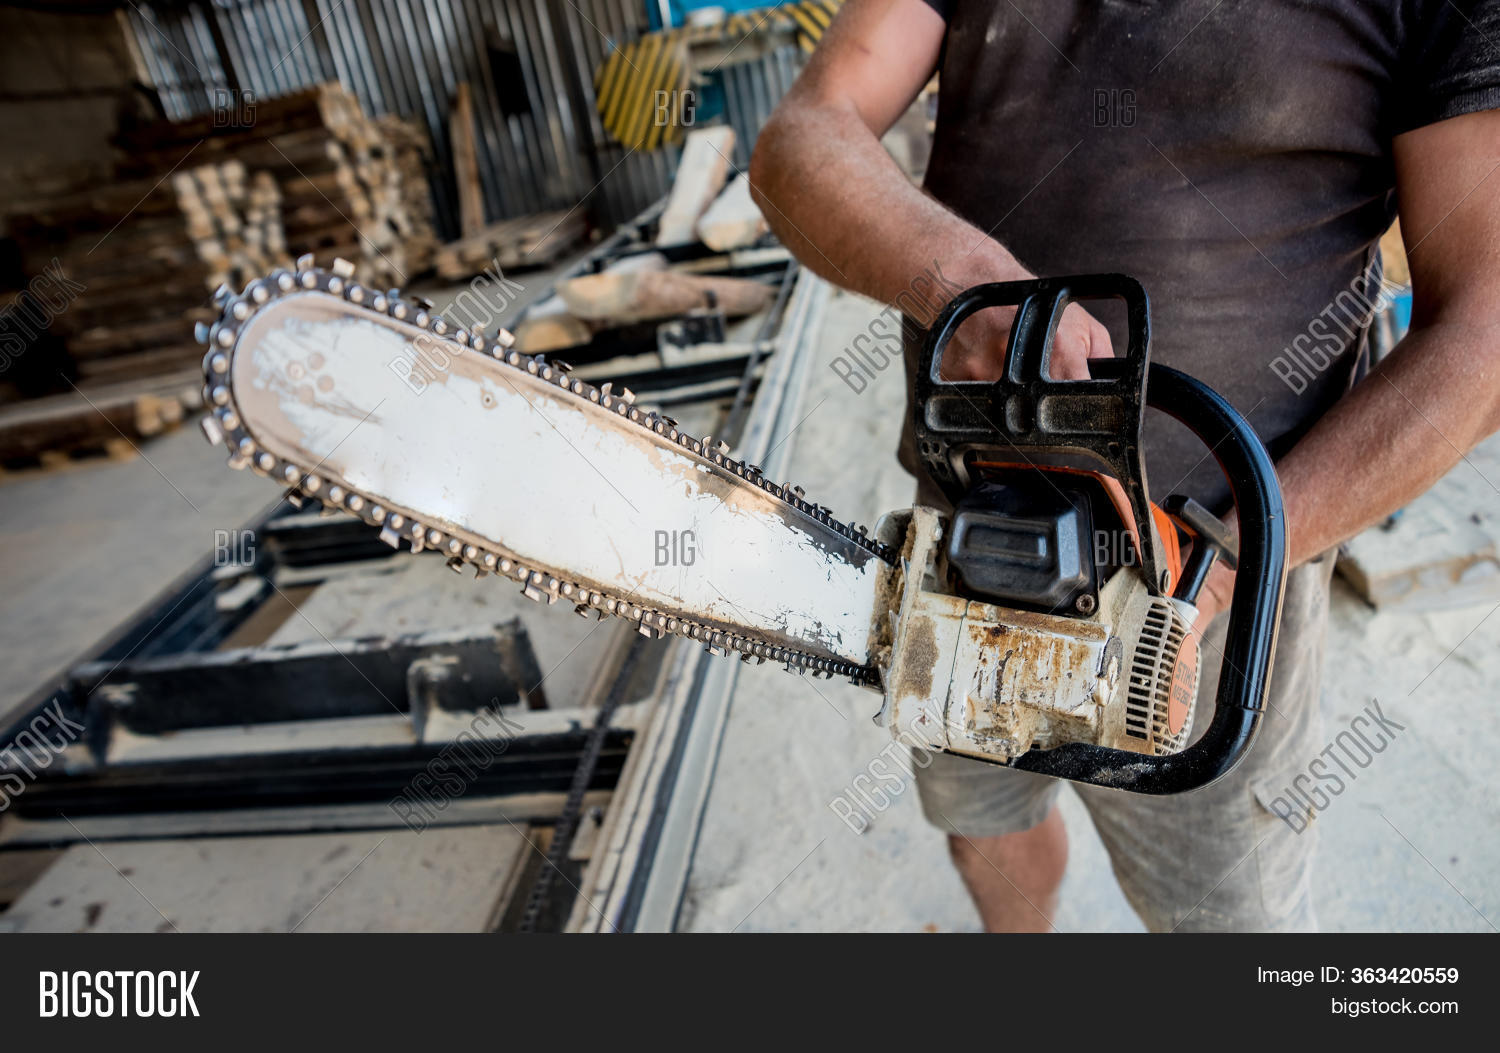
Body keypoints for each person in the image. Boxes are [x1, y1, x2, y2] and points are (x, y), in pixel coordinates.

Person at [748, 0, 1500, 931]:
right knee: (984, 821)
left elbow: (1484, 333)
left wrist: (1223, 565)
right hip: (971, 517)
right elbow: (801, 137)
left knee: (1229, 917)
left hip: (1217, 574)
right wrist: (963, 283)